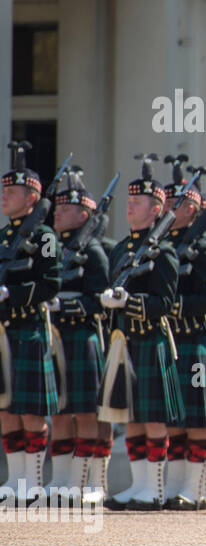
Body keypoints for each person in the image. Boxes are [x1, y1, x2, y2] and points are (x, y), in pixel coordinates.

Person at [99, 156, 184, 511]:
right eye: (129, 202)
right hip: (124, 340)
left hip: (149, 336)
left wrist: (129, 301)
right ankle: (138, 485)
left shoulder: (163, 251)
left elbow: (165, 301)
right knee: (130, 415)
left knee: (152, 416)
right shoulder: (120, 248)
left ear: (156, 210)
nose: (130, 208)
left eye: (137, 203)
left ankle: (155, 487)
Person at [160, 162, 206, 510]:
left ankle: (197, 488)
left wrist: (171, 305)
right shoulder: (159, 245)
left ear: (192, 209)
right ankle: (174, 486)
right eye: (166, 202)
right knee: (174, 419)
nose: (168, 207)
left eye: (176, 203)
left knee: (199, 418)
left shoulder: (204, 248)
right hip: (169, 341)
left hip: (193, 339)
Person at [0, 146, 61, 501]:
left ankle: (32, 482)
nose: (4, 196)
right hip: (5, 332)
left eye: (12, 191)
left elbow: (51, 283)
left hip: (29, 329)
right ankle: (14, 480)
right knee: (6, 408)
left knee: (30, 409)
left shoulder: (44, 238)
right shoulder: (3, 238)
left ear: (32, 197)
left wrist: (13, 293)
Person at [46, 170, 109, 501]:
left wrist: (67, 305)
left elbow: (99, 300)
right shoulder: (51, 247)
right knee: (58, 411)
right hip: (54, 338)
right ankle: (62, 480)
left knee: (86, 412)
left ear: (84, 214)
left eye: (65, 208)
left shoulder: (94, 251)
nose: (57, 212)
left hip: (81, 335)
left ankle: (91, 482)